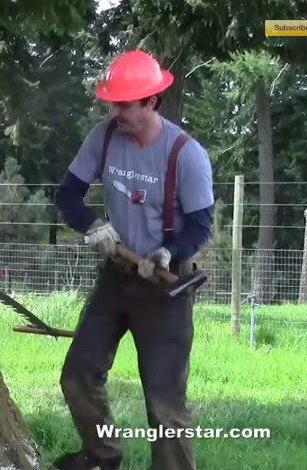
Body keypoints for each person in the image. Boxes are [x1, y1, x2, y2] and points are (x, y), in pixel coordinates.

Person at [52, 49, 215, 470]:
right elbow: (66, 194)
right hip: (117, 276)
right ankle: (102, 457)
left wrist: (168, 251)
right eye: (112, 102)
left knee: (164, 404)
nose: (116, 111)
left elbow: (200, 227)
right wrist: (92, 225)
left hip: (165, 286)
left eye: (125, 103)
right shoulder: (103, 137)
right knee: (79, 373)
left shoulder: (186, 154)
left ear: (151, 102)